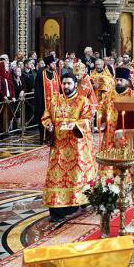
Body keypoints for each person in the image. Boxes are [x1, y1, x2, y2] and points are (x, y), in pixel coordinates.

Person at [41, 73, 96, 224]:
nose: (65, 86)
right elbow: (46, 116)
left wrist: (75, 125)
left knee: (76, 177)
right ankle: (57, 211)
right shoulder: (55, 99)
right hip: (58, 147)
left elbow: (87, 119)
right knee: (57, 178)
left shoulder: (82, 101)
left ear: (75, 84)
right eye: (63, 84)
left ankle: (78, 203)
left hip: (76, 148)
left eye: (69, 84)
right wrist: (49, 124)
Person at [98, 67, 134, 150]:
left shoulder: (133, 96)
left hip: (126, 130)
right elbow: (101, 110)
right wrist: (99, 119)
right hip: (110, 131)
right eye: (117, 80)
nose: (118, 82)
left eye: (121, 80)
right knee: (109, 155)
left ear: (127, 81)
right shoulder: (108, 95)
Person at [34, 55, 61, 144]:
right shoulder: (41, 73)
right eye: (53, 63)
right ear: (48, 65)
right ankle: (43, 138)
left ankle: (54, 137)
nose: (55, 65)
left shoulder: (55, 73)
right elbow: (38, 90)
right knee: (44, 120)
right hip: (43, 104)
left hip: (55, 104)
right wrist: (40, 104)